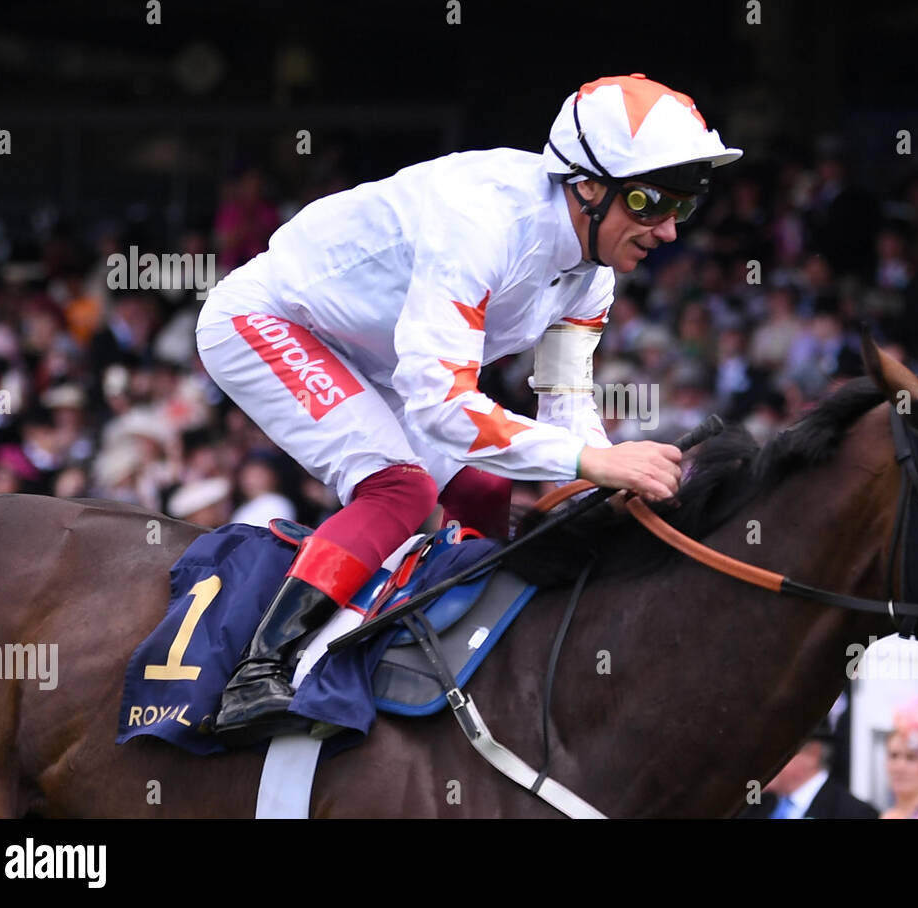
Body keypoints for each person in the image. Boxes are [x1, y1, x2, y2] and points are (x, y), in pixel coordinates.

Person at [194, 74, 741, 743]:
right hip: (270, 320)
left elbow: (567, 401)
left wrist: (606, 484)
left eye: (682, 206)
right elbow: (442, 407)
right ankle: (258, 672)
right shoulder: (483, 224)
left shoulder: (592, 271)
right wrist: (596, 460)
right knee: (400, 489)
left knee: (483, 491)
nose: (667, 230)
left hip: (380, 356)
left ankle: (459, 663)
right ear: (587, 186)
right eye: (648, 201)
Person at [738, 723, 878, 819]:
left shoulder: (853, 814)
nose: (761, 761)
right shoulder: (755, 805)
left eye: (774, 751)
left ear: (812, 754)